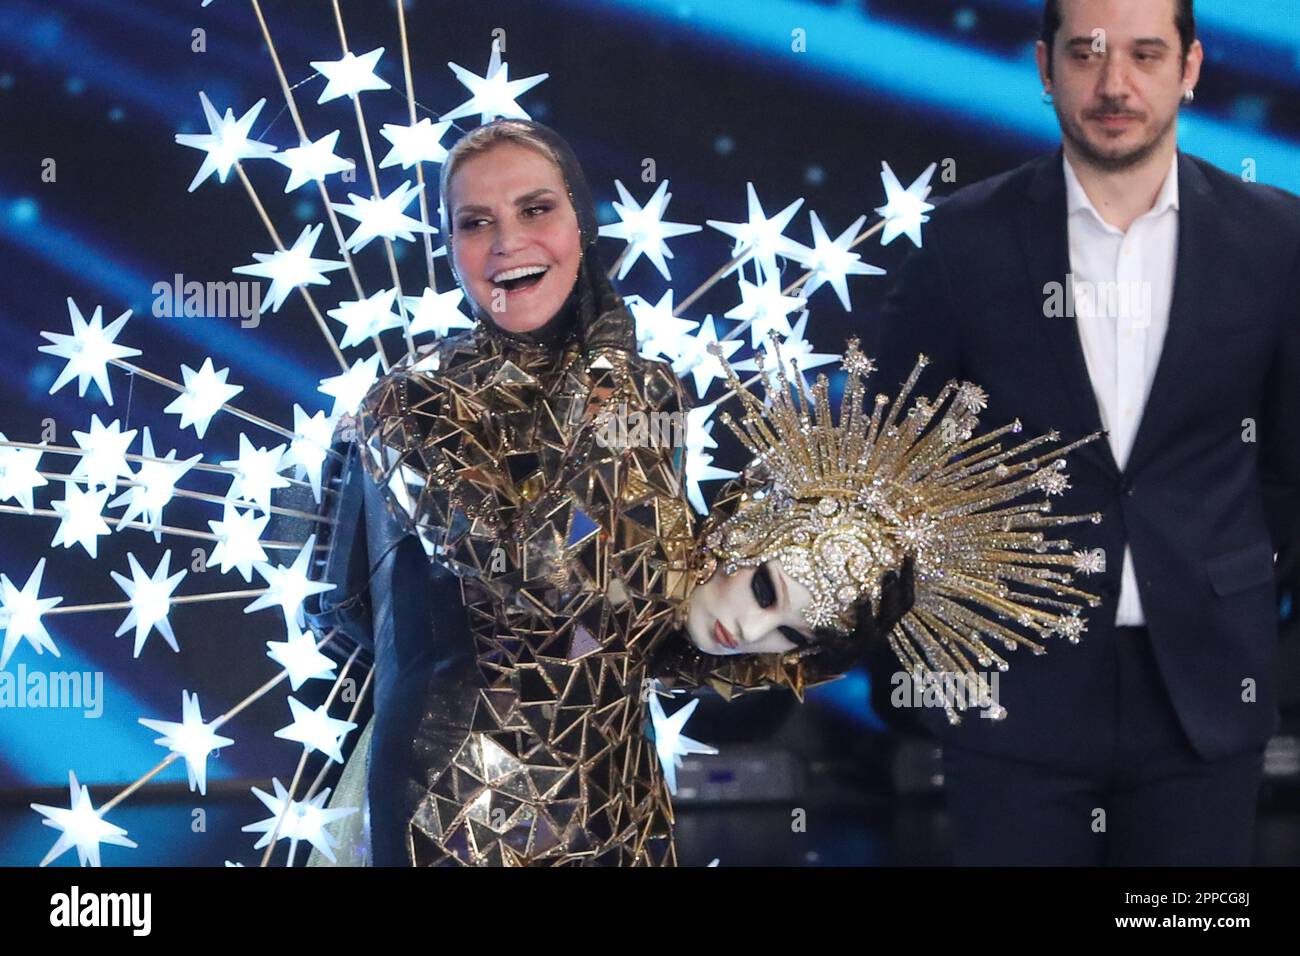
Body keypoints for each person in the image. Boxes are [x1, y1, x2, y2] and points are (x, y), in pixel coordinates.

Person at [301, 119, 913, 867]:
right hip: (463, 803)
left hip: (620, 799)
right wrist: (605, 388)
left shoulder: (652, 391)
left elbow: (639, 623)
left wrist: (809, 628)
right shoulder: (411, 404)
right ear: (451, 247)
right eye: (475, 222)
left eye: (535, 210)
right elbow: (533, 578)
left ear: (581, 223)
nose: (506, 243)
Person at [873, 0, 1300, 865]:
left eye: (1146, 55)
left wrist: (1226, 578)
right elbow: (899, 462)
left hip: (1204, 691)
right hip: (1012, 691)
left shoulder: (1276, 238)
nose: (1115, 84)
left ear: (1189, 68)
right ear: (1044, 67)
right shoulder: (964, 241)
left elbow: (1288, 466)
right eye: (1088, 55)